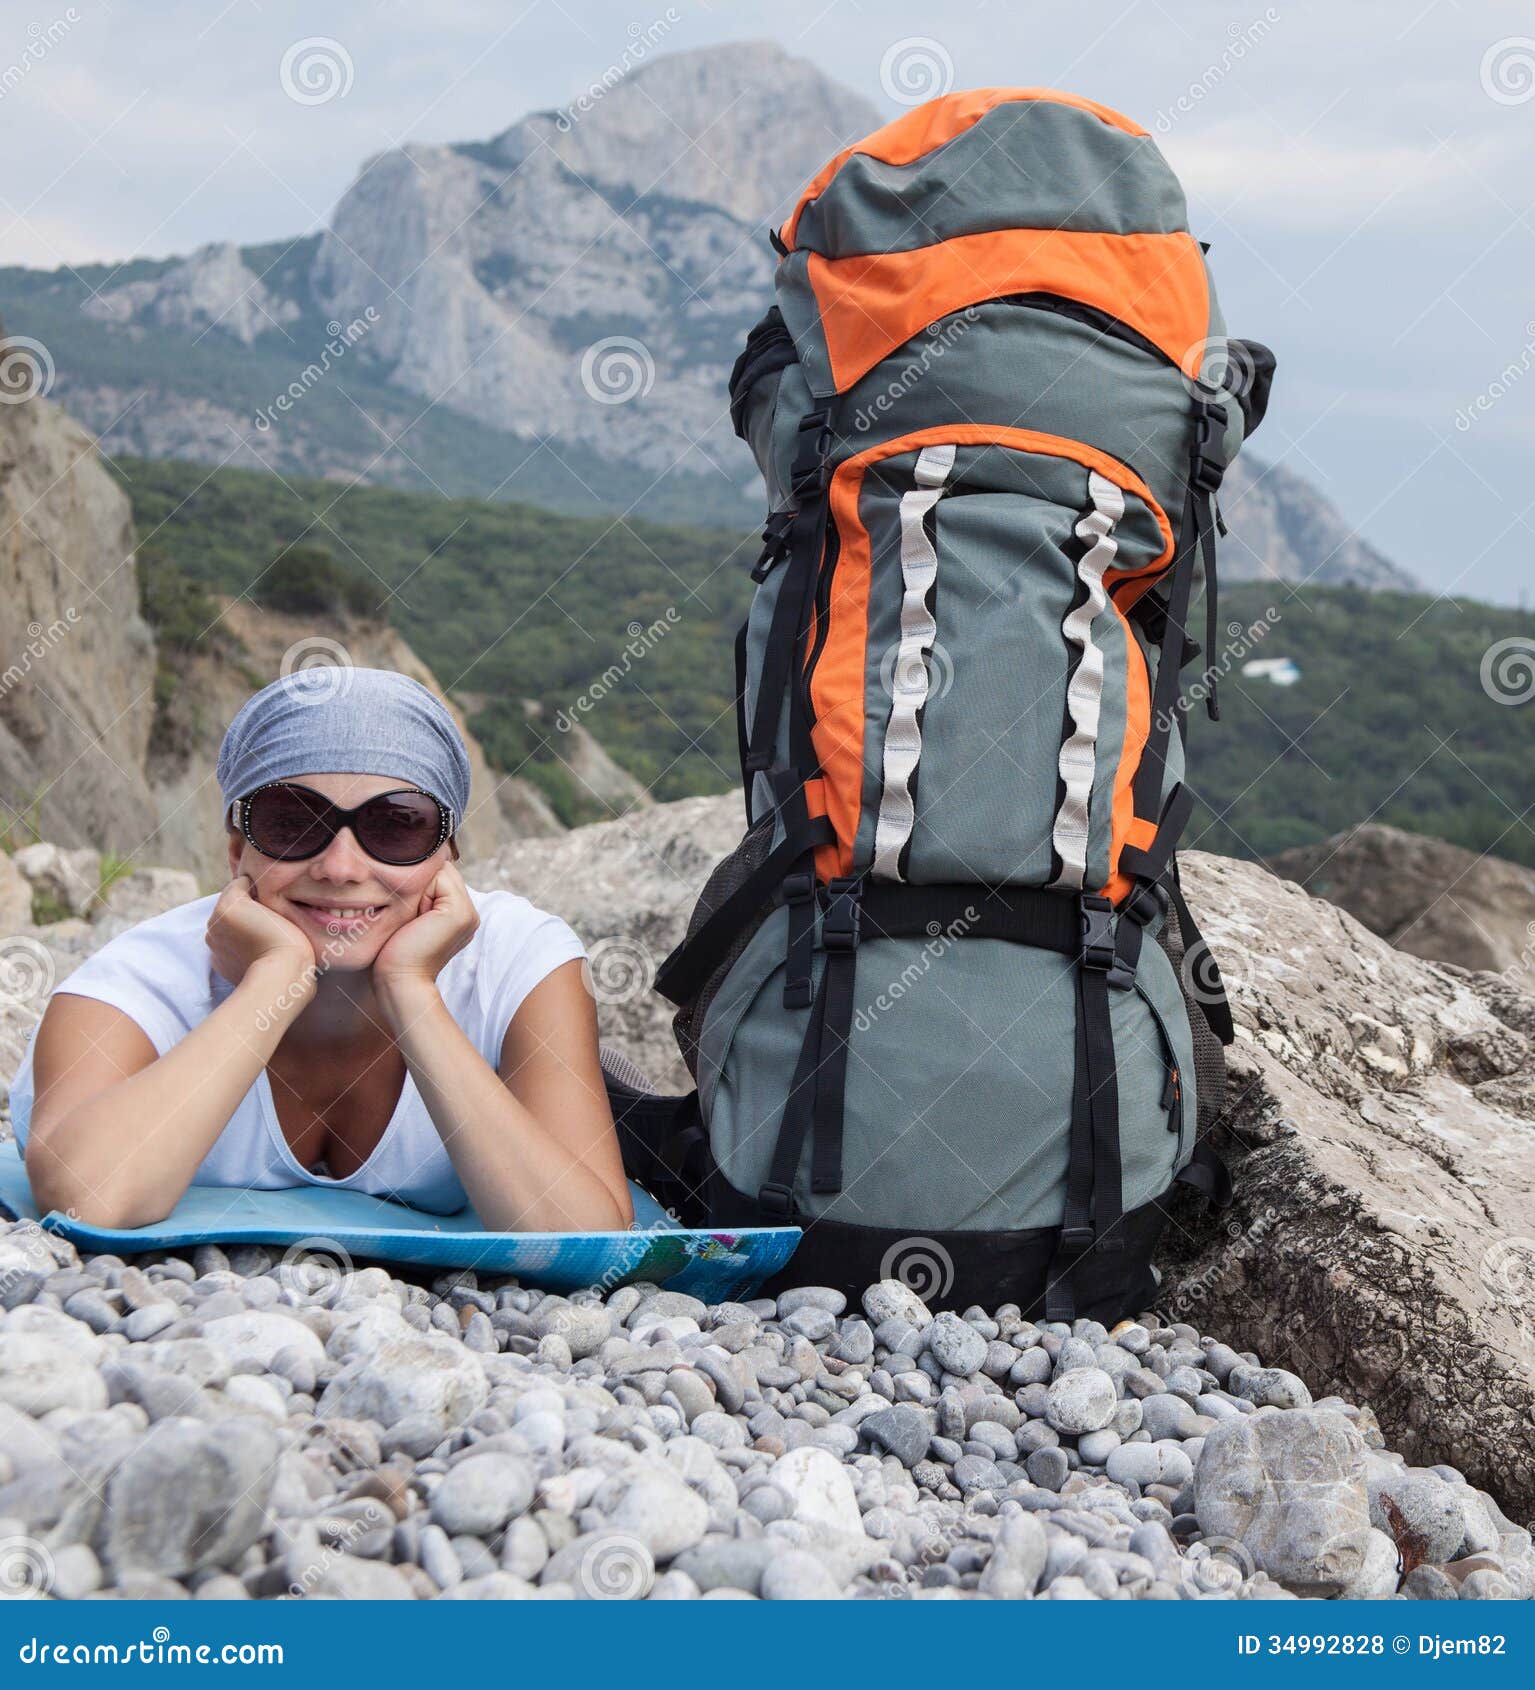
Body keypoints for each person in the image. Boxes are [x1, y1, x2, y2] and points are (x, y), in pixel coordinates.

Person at [10, 665, 633, 1233]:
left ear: (448, 856)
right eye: (292, 823)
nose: (340, 867)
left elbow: (586, 1234)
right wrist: (273, 981)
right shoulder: (141, 978)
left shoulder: (519, 961)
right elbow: (87, 1198)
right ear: (236, 852)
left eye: (396, 824)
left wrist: (411, 990)